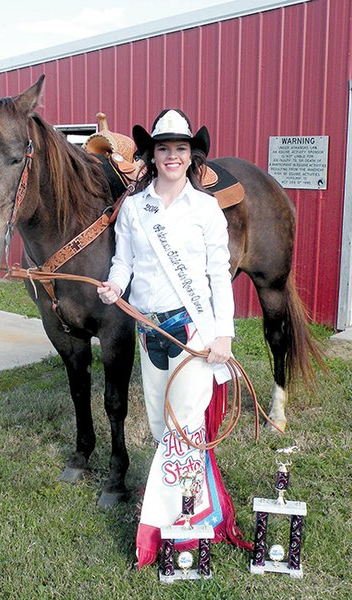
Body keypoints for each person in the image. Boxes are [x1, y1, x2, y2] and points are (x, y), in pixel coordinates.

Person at [97, 108, 249, 568]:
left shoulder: (205, 208)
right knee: (164, 430)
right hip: (150, 331)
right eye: (164, 149)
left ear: (191, 155)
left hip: (193, 332)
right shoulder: (134, 208)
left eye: (180, 149)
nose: (172, 157)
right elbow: (124, 262)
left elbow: (219, 276)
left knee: (185, 428)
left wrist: (223, 333)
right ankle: (190, 511)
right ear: (152, 155)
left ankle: (179, 530)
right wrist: (113, 286)